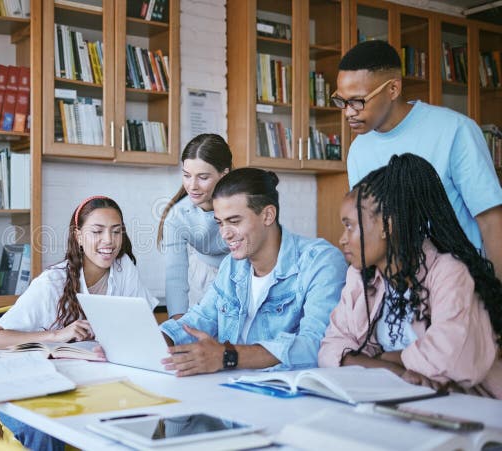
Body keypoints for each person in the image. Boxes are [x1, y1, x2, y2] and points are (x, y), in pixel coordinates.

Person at [319, 154, 502, 398]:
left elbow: (450, 357)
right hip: (394, 398)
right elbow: (330, 348)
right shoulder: (360, 276)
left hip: (465, 404)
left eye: (350, 226)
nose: (342, 239)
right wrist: (393, 370)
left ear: (386, 226)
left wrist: (382, 358)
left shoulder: (448, 272)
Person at [0, 196, 158, 450]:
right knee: (44, 426)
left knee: (139, 415)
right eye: (97, 232)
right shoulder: (52, 282)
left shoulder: (124, 269)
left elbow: (143, 328)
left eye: (116, 231)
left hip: (87, 384)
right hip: (28, 386)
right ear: (78, 236)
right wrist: (56, 335)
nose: (109, 240)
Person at [333, 40, 502, 280]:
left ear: (393, 89)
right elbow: (367, 228)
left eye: (357, 101)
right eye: (341, 101)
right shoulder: (358, 149)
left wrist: (495, 294)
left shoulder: (455, 130)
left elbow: (492, 222)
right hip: (400, 292)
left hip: (460, 285)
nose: (348, 112)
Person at [160, 168, 347, 376]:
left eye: (234, 221)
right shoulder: (232, 265)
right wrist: (155, 338)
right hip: (230, 387)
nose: (225, 234)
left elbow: (316, 345)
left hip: (284, 391)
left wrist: (227, 356)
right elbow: (201, 318)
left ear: (267, 215)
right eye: (220, 223)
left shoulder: (320, 262)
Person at [157, 134, 232, 319]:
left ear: (224, 174)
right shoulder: (178, 216)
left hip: (241, 273)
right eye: (186, 175)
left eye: (203, 177)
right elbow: (175, 276)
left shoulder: (244, 206)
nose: (192, 186)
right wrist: (176, 323)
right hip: (201, 280)